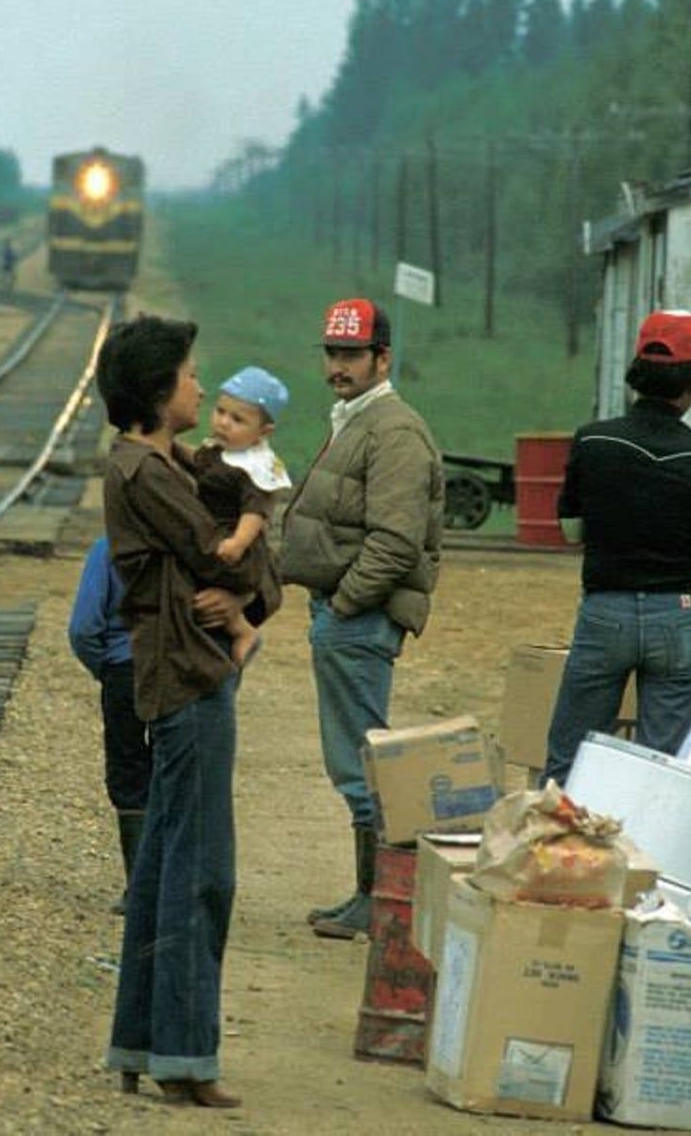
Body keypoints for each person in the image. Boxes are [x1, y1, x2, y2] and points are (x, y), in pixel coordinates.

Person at [97, 314, 279, 1108]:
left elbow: (244, 549)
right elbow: (224, 545)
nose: (202, 390)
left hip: (178, 674)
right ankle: (185, 1056)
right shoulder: (148, 473)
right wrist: (249, 573)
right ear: (157, 390)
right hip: (189, 678)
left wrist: (246, 580)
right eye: (191, 376)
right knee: (201, 871)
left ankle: (141, 1043)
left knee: (166, 864)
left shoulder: (160, 462)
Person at [279, 298, 444, 940]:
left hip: (360, 618)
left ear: (383, 358)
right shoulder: (359, 418)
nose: (338, 367)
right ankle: (369, 896)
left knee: (362, 763)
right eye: (332, 353)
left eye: (351, 355)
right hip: (347, 616)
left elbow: (396, 542)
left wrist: (343, 604)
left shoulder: (393, 430)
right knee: (356, 756)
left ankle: (378, 902)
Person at [542, 309, 691, 786]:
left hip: (606, 610)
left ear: (637, 370)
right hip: (676, 614)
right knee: (661, 770)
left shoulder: (594, 440)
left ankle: (559, 851)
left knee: (572, 757)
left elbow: (569, 530)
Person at [67, 535, 149, 914]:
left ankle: (140, 887)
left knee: (128, 771)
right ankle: (173, 883)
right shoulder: (189, 539)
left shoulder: (109, 546)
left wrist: (106, 668)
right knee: (173, 766)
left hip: (123, 669)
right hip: (179, 667)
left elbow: (84, 627)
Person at [188, 365, 292, 666]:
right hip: (215, 535)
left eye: (237, 419)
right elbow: (195, 461)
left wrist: (239, 542)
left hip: (235, 546)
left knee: (213, 592)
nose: (223, 423)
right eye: (220, 412)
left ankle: (243, 632)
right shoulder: (218, 450)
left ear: (263, 432)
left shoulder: (254, 466)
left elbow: (255, 511)